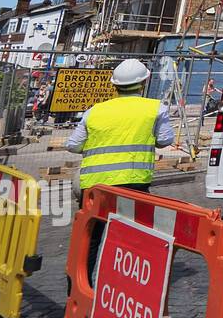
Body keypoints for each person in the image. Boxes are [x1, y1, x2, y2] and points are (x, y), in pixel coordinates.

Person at [66, 59, 175, 276]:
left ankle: (78, 288)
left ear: (115, 86)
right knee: (132, 237)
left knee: (90, 239)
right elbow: (165, 140)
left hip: (95, 185)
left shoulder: (94, 111)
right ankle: (121, 285)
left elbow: (73, 145)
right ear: (144, 82)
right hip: (134, 183)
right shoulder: (154, 109)